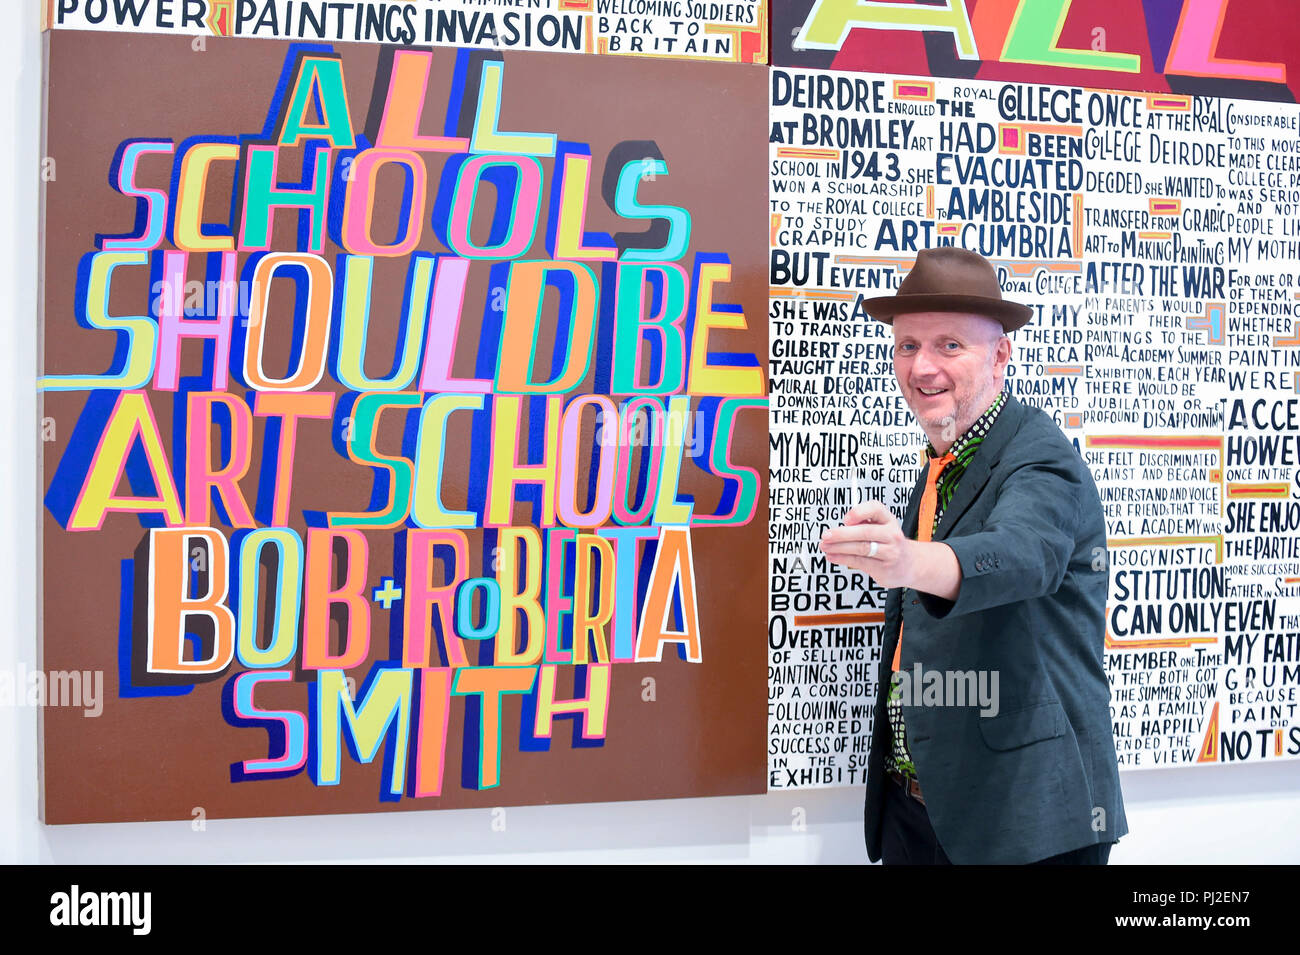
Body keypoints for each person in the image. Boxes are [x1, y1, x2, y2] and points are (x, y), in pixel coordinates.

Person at [819, 247, 1127, 865]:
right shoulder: (947, 457)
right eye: (908, 346)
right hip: (921, 811)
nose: (922, 367)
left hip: (1024, 820)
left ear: (1000, 355)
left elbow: (1021, 554)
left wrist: (908, 564)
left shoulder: (1040, 457)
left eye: (948, 345)